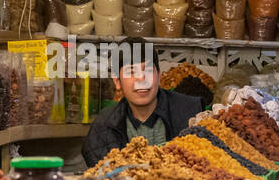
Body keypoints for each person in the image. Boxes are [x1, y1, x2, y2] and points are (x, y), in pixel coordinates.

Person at [82, 37, 199, 167]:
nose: (141, 79)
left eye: (147, 70)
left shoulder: (192, 113)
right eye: (131, 71)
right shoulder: (103, 126)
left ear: (159, 76)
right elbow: (103, 176)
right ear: (117, 82)